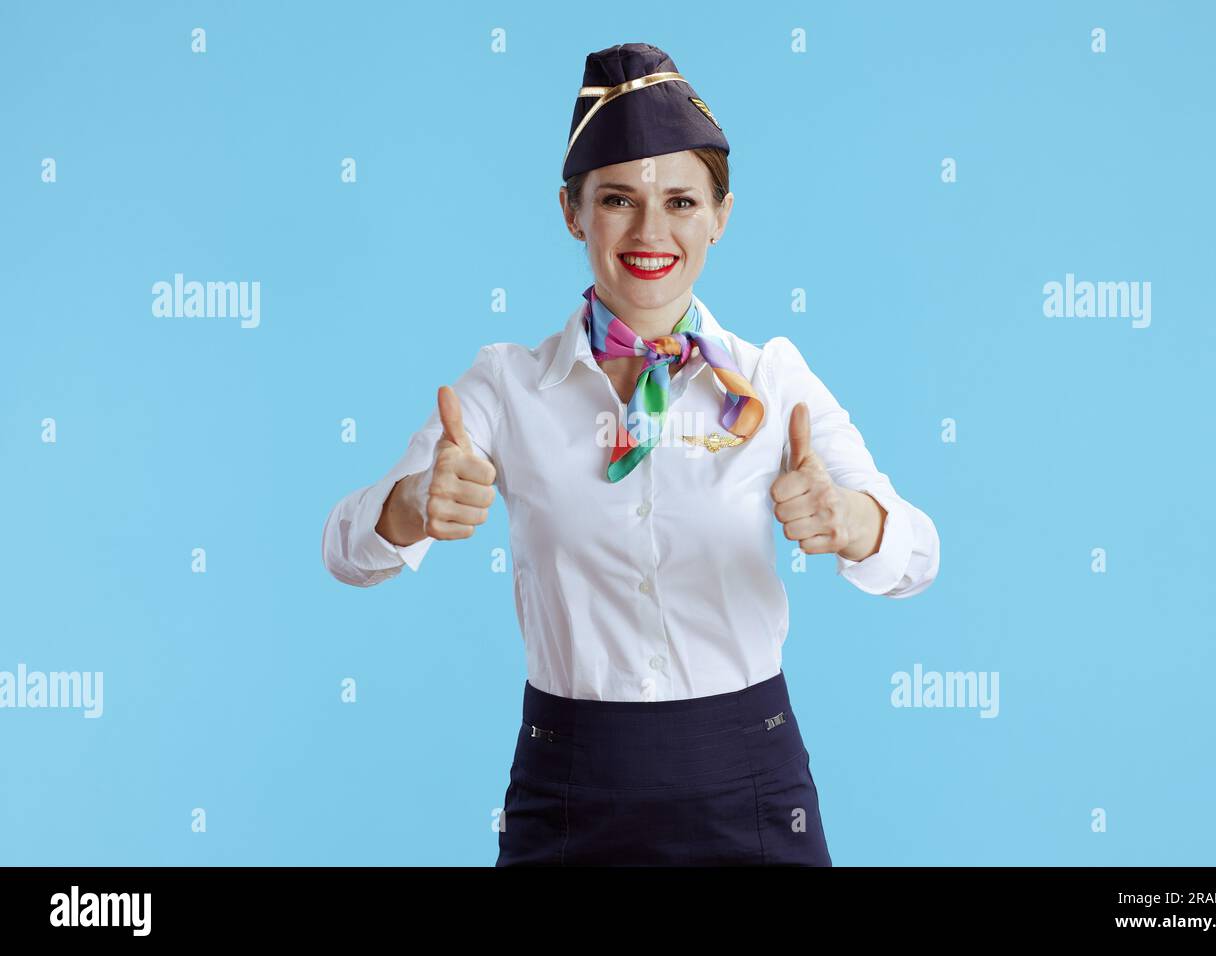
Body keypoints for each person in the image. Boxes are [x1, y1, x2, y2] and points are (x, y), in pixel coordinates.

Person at [322, 42, 940, 866]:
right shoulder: (505, 385)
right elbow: (344, 552)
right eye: (618, 199)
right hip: (566, 783)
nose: (651, 231)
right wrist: (408, 509)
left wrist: (851, 521)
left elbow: (917, 557)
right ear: (572, 211)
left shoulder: (774, 379)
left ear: (721, 216)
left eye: (682, 201)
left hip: (750, 781)